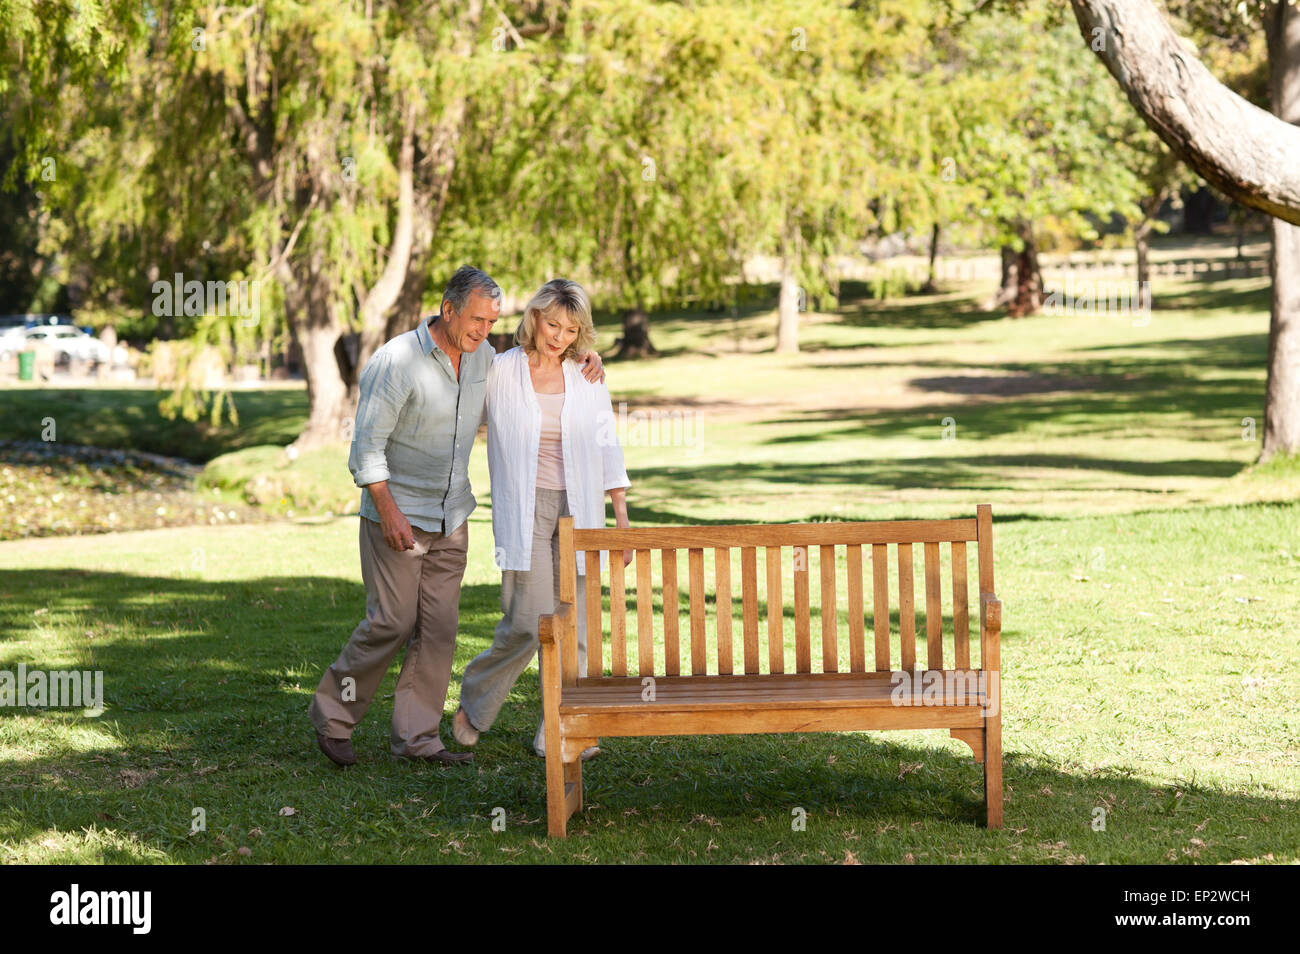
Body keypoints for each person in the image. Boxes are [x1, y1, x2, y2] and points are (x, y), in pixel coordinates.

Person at [309, 266, 605, 767]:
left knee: (439, 630)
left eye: (491, 322)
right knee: (392, 622)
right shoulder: (397, 361)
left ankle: (418, 738)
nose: (484, 330)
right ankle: (333, 715)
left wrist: (585, 357)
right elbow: (365, 448)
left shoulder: (483, 360)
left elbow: (540, 377)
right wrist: (389, 511)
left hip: (452, 516)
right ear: (448, 309)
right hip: (396, 515)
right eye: (476, 319)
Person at [452, 278, 632, 759]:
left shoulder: (587, 375)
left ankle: (558, 729)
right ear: (533, 317)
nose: (559, 336)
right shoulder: (499, 369)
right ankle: (476, 700)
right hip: (526, 505)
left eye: (571, 330)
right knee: (530, 620)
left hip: (580, 505)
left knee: (576, 622)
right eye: (552, 323)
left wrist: (622, 519)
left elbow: (606, 444)